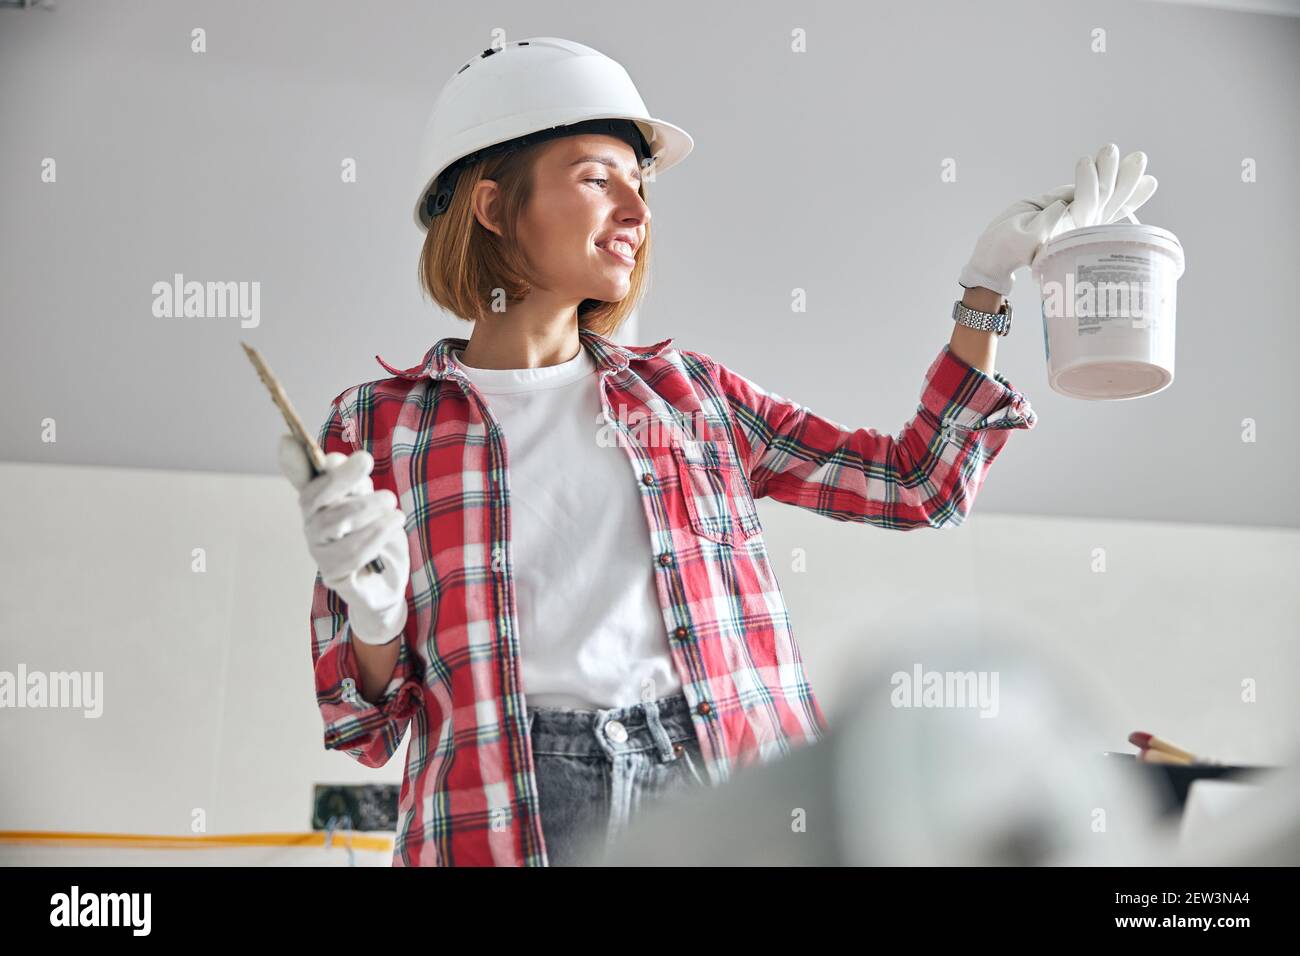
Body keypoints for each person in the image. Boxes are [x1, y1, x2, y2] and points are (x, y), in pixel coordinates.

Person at [276, 36, 1158, 866]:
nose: (635, 212)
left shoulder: (689, 395)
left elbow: (915, 482)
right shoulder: (377, 426)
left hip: (715, 784)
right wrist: (375, 617)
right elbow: (365, 724)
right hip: (508, 811)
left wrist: (987, 285)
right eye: (597, 179)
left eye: (641, 188)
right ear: (495, 206)